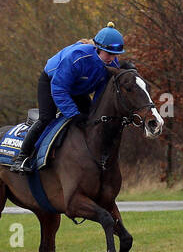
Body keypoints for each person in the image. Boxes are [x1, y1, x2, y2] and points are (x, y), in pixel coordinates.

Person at [11, 23, 125, 175]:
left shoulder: (112, 64)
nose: (112, 58)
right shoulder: (77, 56)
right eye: (109, 53)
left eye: (115, 54)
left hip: (76, 88)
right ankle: (21, 157)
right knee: (47, 118)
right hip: (53, 83)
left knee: (91, 118)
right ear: (98, 48)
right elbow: (59, 89)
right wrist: (73, 113)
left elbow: (100, 93)